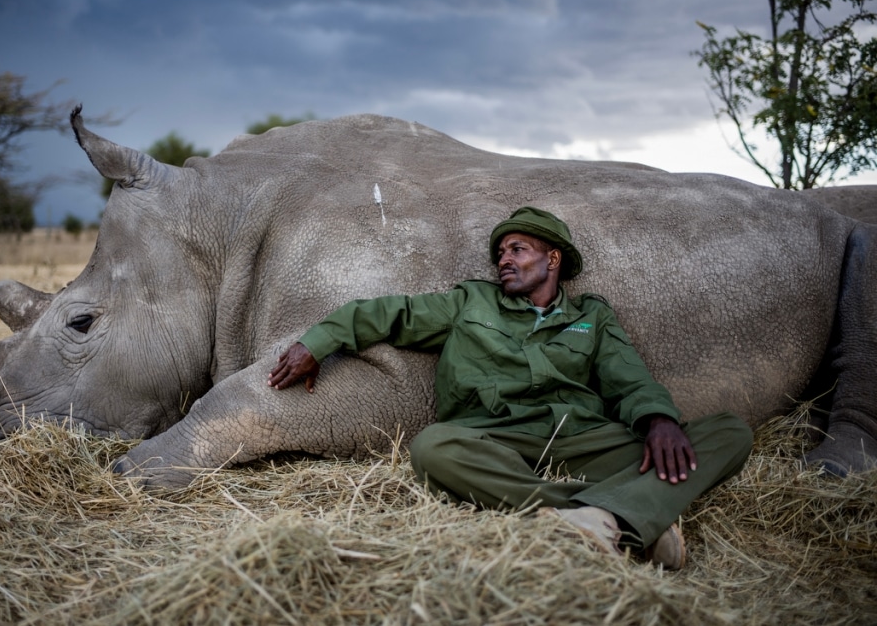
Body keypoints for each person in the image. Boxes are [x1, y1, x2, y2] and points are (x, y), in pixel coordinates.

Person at [267, 206, 753, 569]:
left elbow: (629, 378)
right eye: (500, 253)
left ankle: (603, 518)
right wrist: (319, 341)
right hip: (494, 440)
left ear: (553, 259)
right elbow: (390, 313)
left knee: (729, 432)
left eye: (517, 250)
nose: (504, 260)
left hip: (581, 438)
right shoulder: (470, 302)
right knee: (432, 447)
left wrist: (658, 419)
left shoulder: (592, 316)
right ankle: (621, 520)